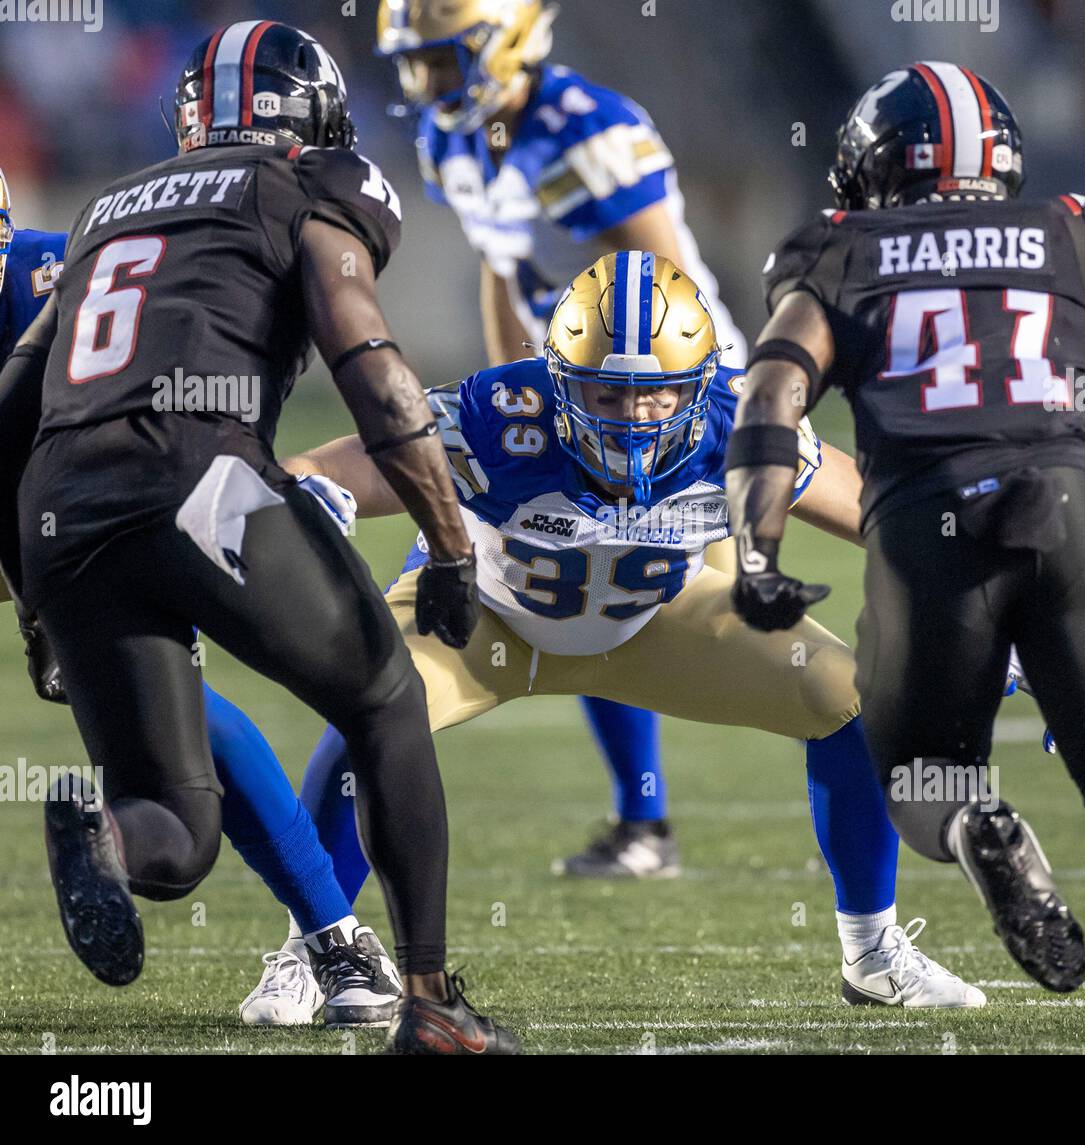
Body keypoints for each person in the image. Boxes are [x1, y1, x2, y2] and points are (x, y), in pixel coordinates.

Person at [239, 251, 985, 1022]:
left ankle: (873, 951)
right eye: (607, 392)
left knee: (848, 697)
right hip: (486, 620)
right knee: (371, 707)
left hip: (654, 621)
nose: (632, 418)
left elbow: (884, 516)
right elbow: (321, 469)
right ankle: (315, 948)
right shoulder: (503, 417)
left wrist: (989, 608)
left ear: (698, 386)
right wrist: (312, 500)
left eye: (658, 394)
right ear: (558, 382)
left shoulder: (738, 420)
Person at [0, 21, 515, 1054]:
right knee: (383, 695)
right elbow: (369, 360)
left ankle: (104, 834)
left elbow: (11, 407)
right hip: (200, 474)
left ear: (194, 115)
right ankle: (430, 1004)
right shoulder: (315, 181)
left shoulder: (106, 207)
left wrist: (37, 606)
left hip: (62, 499)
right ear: (313, 112)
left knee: (171, 837)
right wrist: (450, 543)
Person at [726, 61, 1085, 1055]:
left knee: (921, 777)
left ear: (871, 168)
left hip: (923, 520)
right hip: (1064, 505)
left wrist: (756, 551)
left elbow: (769, 399)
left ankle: (975, 824)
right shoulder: (1076, 231)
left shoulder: (837, 249)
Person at [375, 0, 750, 878]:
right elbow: (500, 264)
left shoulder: (586, 132)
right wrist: (515, 396)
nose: (430, 85)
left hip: (667, 395)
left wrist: (663, 410)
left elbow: (671, 286)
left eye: (443, 61)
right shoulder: (457, 139)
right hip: (574, 390)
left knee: (663, 602)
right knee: (576, 586)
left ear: (508, 40)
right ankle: (645, 825)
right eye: (419, 65)